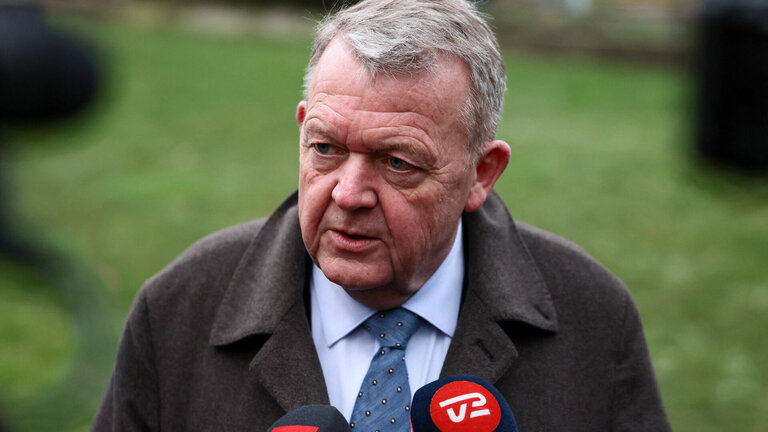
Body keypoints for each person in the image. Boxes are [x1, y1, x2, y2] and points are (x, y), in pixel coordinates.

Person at [91, 0, 671, 431]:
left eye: (397, 162)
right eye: (326, 149)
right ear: (302, 129)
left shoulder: (592, 316)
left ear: (481, 174)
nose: (348, 194)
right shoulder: (178, 310)